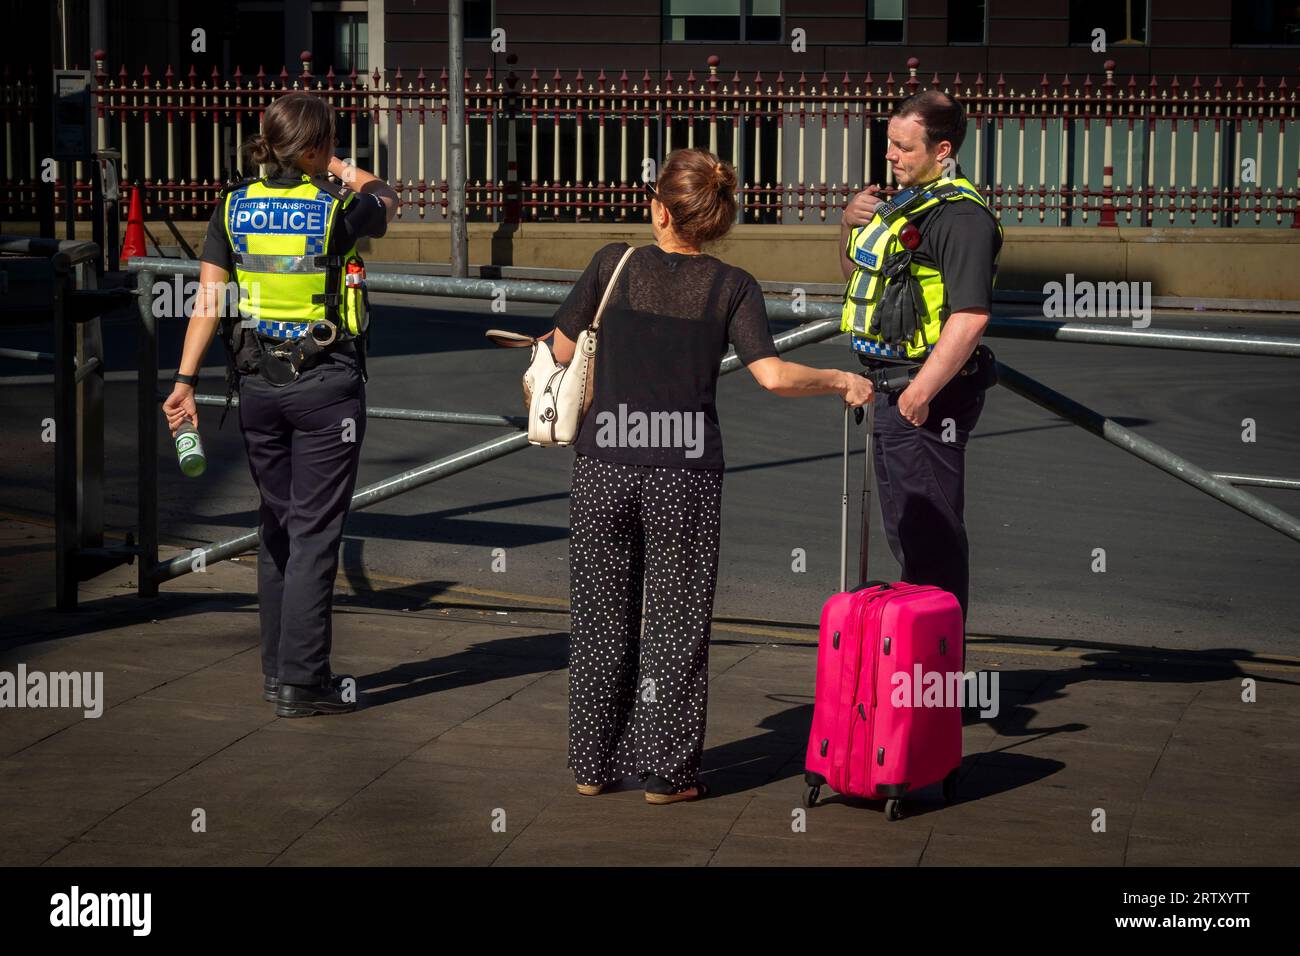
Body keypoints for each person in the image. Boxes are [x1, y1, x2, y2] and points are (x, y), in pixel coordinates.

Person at [552, 147, 874, 804]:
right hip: (684, 474)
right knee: (675, 625)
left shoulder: (612, 263)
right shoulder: (733, 285)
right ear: (715, 219)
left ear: (661, 209)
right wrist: (841, 378)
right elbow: (773, 377)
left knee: (600, 618)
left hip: (604, 465)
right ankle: (666, 775)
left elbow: (560, 349)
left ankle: (593, 764)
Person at [161, 91, 398, 717]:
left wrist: (184, 380)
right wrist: (343, 169)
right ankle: (302, 682)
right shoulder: (336, 208)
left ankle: (276, 671)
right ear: (317, 147)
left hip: (256, 389)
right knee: (316, 532)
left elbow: (208, 304)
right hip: (326, 388)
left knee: (276, 526)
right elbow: (388, 197)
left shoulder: (234, 206)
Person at [838, 90, 1002, 629]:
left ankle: (937, 684)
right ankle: (920, 681)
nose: (890, 155)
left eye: (904, 147)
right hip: (892, 391)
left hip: (925, 400)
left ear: (943, 149)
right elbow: (862, 283)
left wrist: (920, 392)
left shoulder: (961, 218)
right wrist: (848, 224)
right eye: (889, 143)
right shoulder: (906, 205)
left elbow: (971, 316)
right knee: (908, 535)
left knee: (932, 544)